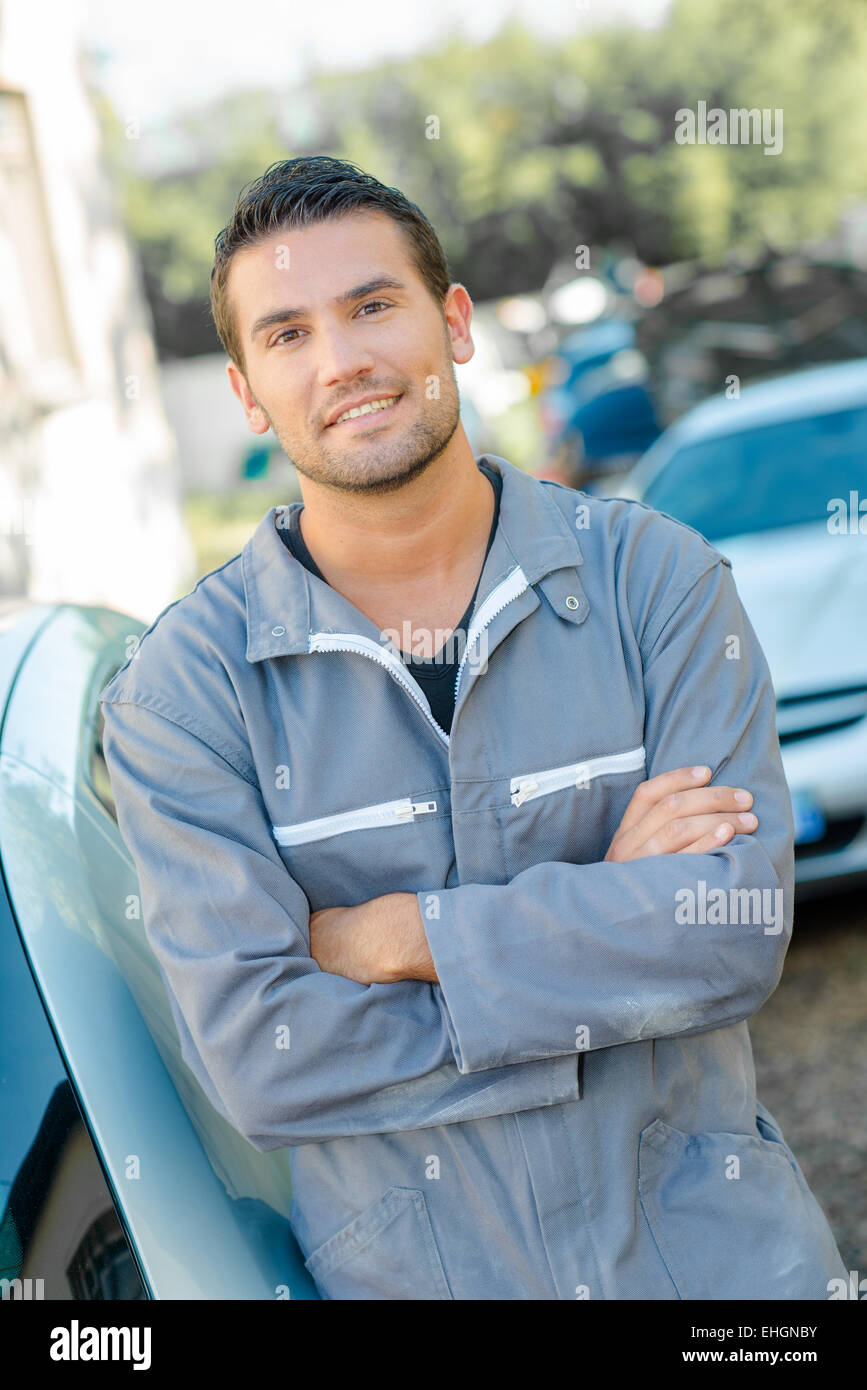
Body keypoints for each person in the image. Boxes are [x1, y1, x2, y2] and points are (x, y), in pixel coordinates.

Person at [99, 155, 846, 1300]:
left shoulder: (659, 582)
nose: (342, 360)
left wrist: (401, 937)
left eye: (372, 306)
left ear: (454, 322)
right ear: (247, 393)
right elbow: (265, 1064)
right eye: (288, 334)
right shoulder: (183, 696)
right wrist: (607, 926)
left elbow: (732, 930)